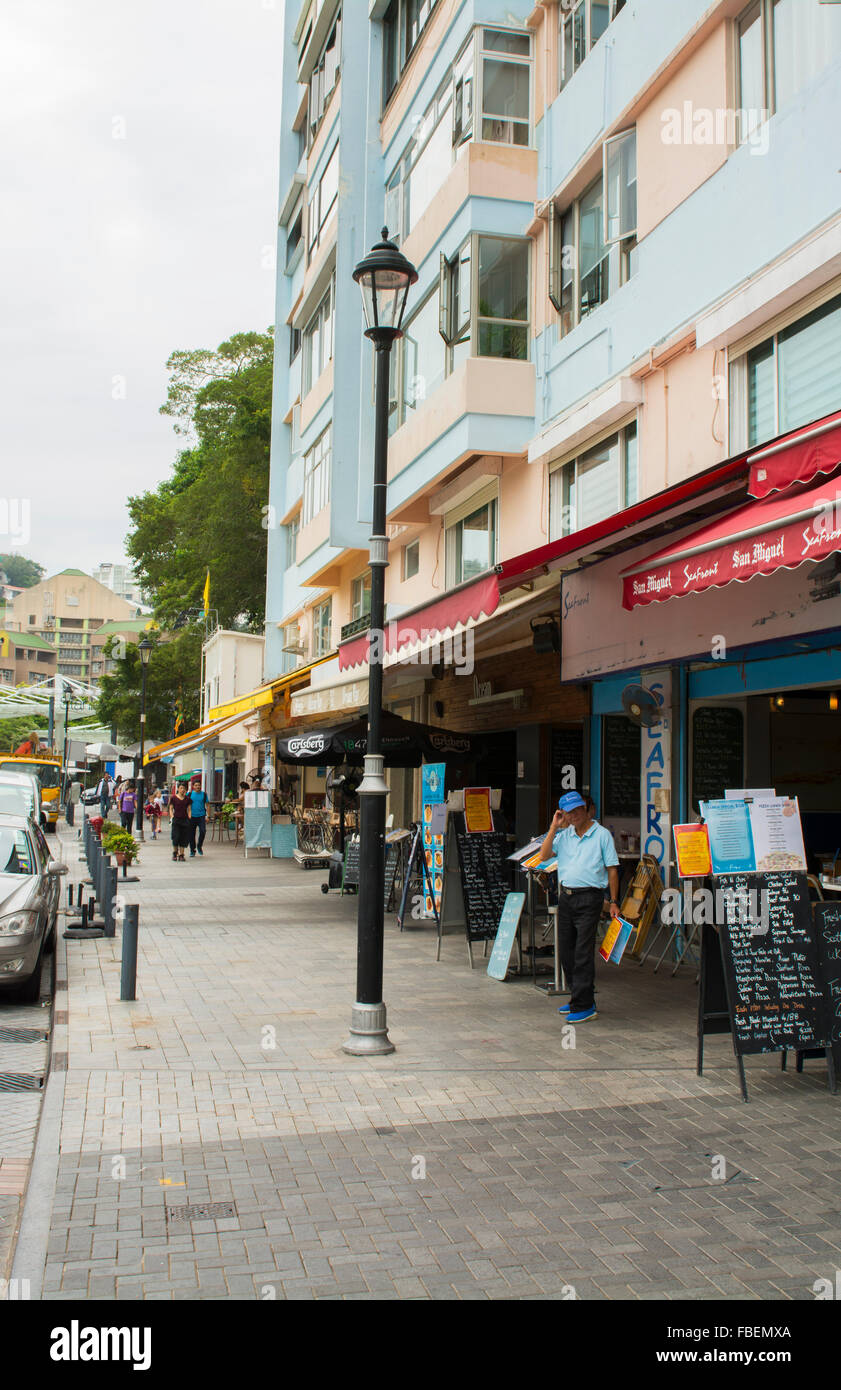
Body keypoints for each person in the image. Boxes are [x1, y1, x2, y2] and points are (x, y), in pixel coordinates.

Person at [539, 791, 620, 1026]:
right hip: (567, 897)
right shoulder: (564, 836)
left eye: (577, 811)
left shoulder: (601, 835)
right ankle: (579, 997)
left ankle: (584, 1005)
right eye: (568, 813)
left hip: (590, 898)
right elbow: (543, 856)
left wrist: (613, 901)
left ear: (586, 809)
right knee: (566, 950)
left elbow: (612, 869)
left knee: (583, 952)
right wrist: (554, 827)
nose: (573, 816)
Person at [169, 782, 191, 862]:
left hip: (185, 820)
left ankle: (181, 854)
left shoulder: (187, 799)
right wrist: (172, 817)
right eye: (181, 788)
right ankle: (175, 852)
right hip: (176, 820)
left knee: (183, 838)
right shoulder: (173, 798)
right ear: (178, 789)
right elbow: (171, 808)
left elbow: (189, 809)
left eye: (184, 788)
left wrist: (189, 818)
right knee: (176, 837)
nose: (182, 790)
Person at [188, 778, 209, 857]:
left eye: (199, 785)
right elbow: (184, 803)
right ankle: (192, 850)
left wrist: (208, 815)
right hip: (191, 817)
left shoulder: (204, 794)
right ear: (193, 786)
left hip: (201, 816)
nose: (198, 787)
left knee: (203, 831)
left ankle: (199, 845)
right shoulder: (189, 795)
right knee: (191, 834)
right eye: (196, 785)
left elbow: (207, 805)